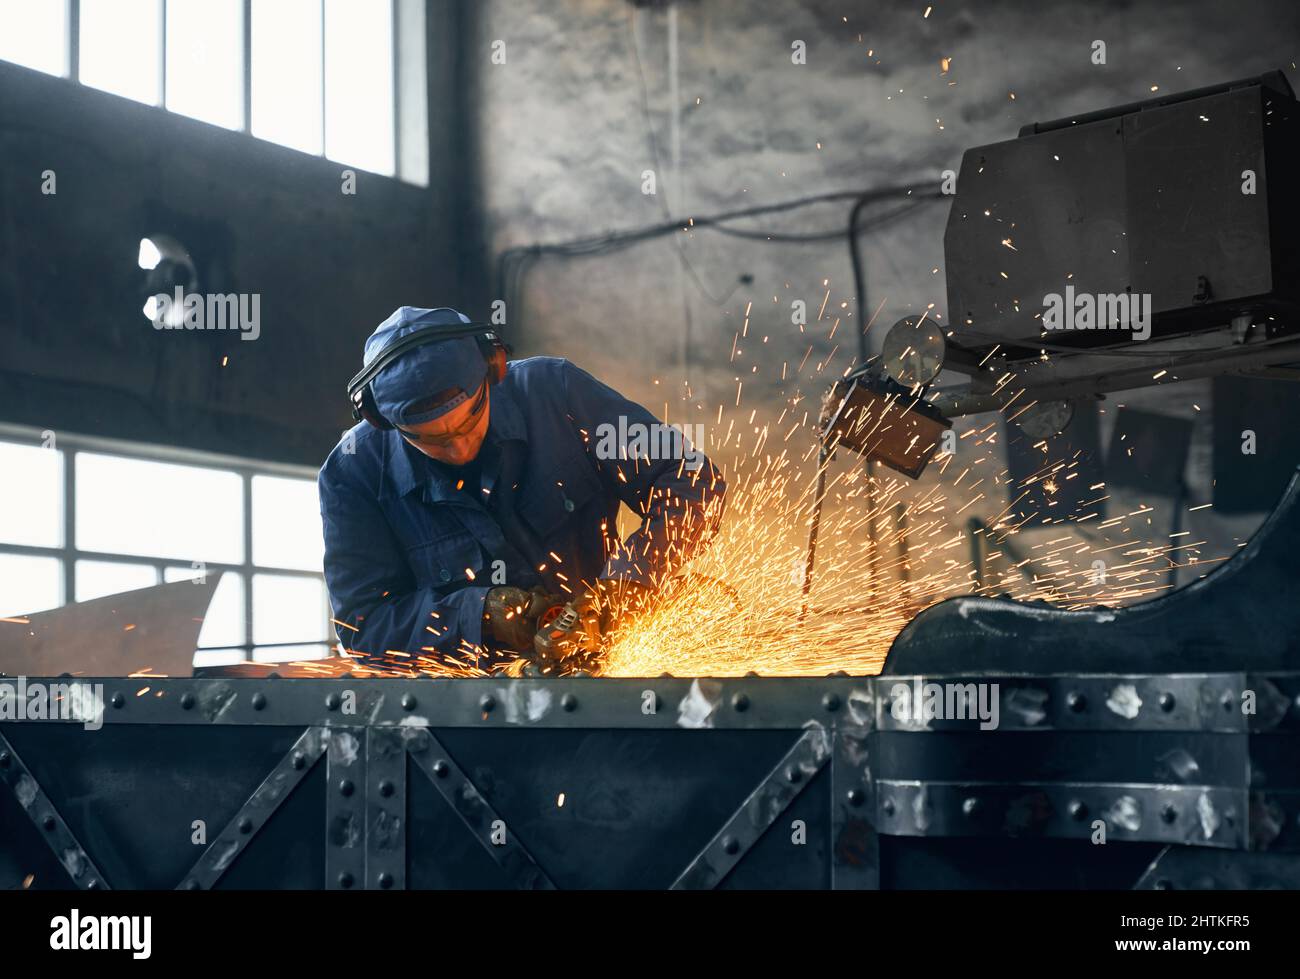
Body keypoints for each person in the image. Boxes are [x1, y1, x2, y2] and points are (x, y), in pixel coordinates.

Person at [318, 306, 726, 670]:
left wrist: (627, 582)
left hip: (614, 654)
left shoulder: (557, 393)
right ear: (381, 420)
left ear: (492, 371)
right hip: (475, 706)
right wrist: (478, 617)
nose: (459, 448)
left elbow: (691, 480)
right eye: (431, 439)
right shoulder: (353, 474)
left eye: (467, 422)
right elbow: (363, 627)